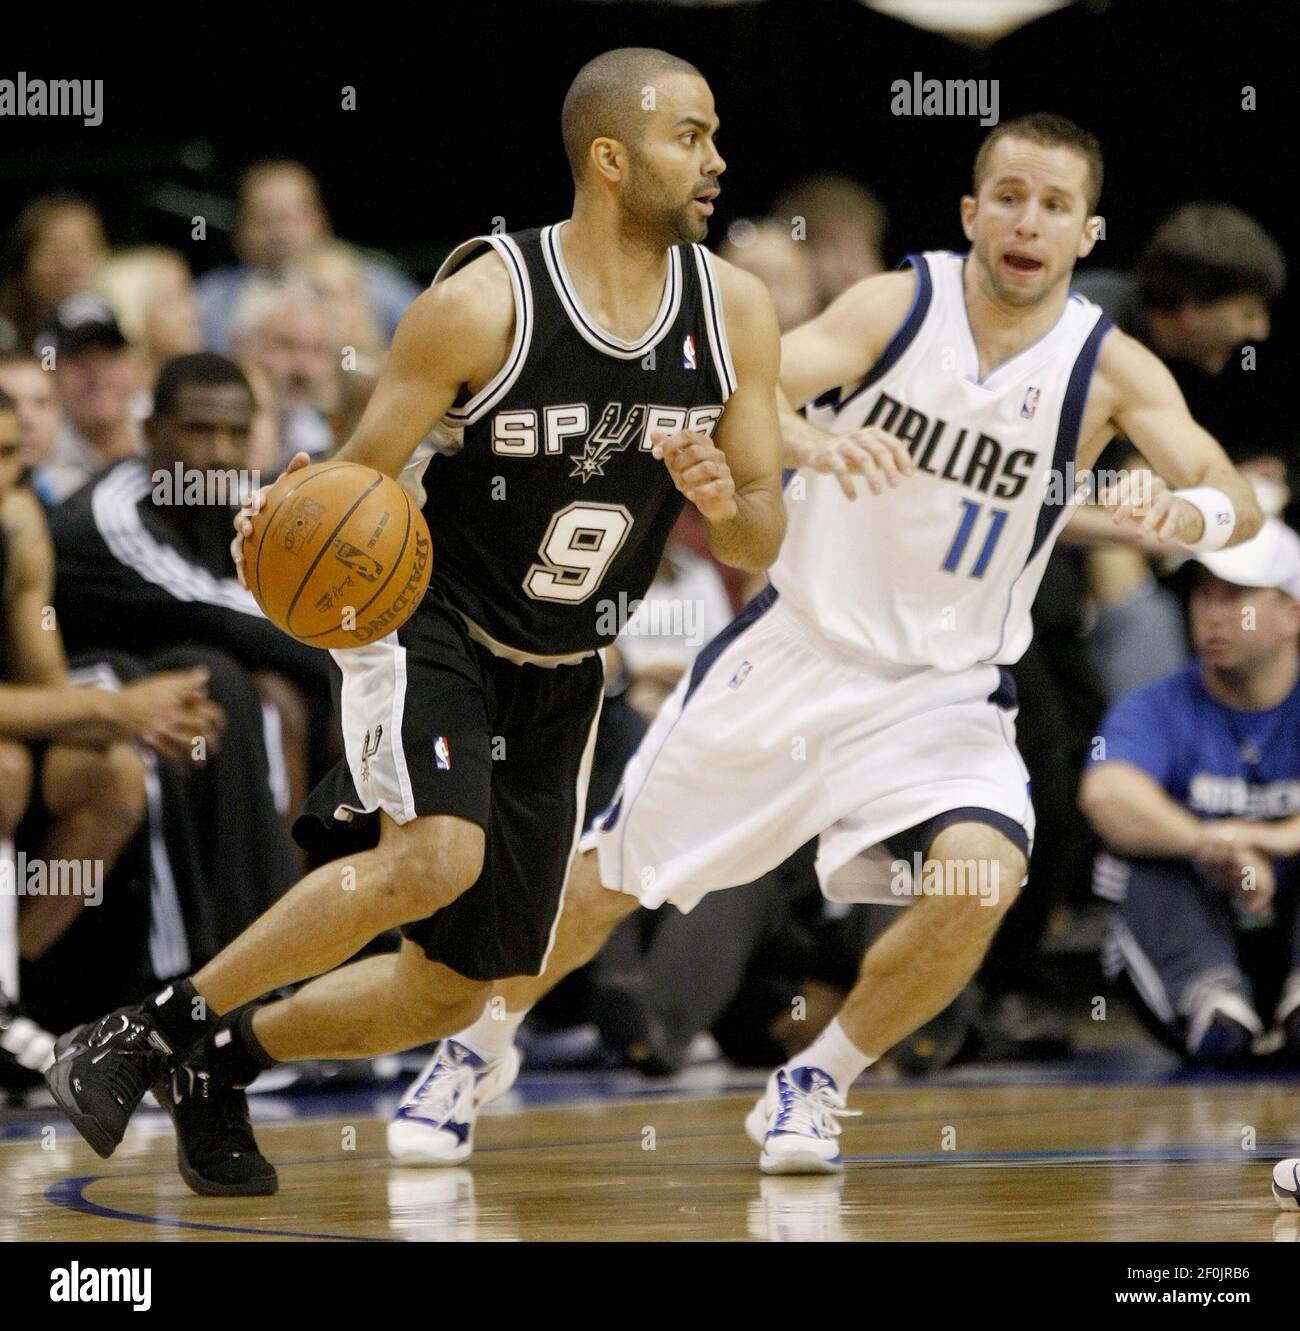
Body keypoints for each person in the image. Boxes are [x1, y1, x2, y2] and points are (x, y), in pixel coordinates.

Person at [395, 111, 1266, 1175]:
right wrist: (813, 441)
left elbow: (1235, 493)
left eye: (1052, 204)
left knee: (980, 877)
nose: (1025, 220)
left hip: (945, 690)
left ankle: (819, 1076)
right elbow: (742, 390)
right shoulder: (896, 305)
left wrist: (1194, 518)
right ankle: (476, 1044)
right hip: (798, 650)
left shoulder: (1112, 367)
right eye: (1007, 196)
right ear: (970, 211)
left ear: (1086, 232)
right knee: (601, 884)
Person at [44, 46, 786, 1198]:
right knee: (437, 855)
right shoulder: (483, 302)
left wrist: (718, 499)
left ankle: (220, 1060)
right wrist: (278, 526)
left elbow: (761, 539)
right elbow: (354, 488)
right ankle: (146, 1028)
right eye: (690, 134)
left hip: (566, 661)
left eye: (714, 133)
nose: (716, 159)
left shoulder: (735, 312)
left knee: (451, 992)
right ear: (607, 156)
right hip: (427, 614)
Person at [0, 387, 222, 1093]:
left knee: (112, 774)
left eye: (11, 453)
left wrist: (127, 719)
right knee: (2, 768)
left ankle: (10, 998)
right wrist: (120, 706)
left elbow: (50, 685)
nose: (6, 470)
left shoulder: (20, 521)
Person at [1080, 519, 1300, 1064]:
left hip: (1287, 922)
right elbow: (1106, 794)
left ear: (1293, 613)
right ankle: (1211, 1000)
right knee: (1136, 856)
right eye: (1205, 594)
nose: (1213, 613)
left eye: (1237, 596)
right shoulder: (1154, 706)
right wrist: (1209, 843)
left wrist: (1267, 840)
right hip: (1194, 937)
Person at [196, 161, 421, 354]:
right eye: (264, 219)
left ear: (321, 222)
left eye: (292, 218)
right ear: (238, 233)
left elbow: (429, 328)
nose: (280, 234)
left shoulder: (369, 281)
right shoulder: (209, 298)